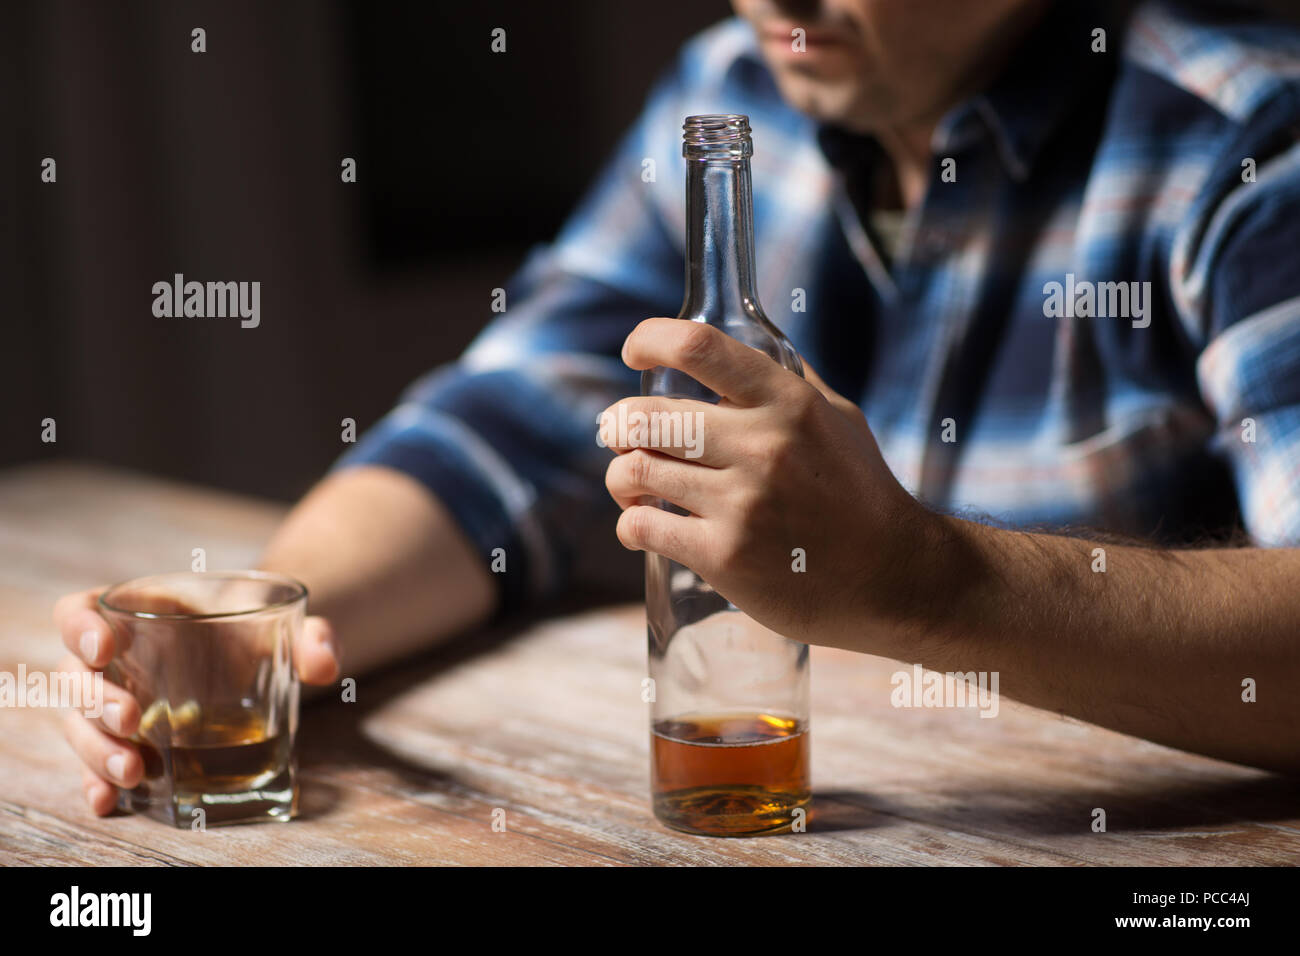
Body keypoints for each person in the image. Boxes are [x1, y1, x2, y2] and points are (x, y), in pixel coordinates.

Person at [56, 0, 1300, 815]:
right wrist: (268, 628)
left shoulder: (1244, 140)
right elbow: (507, 425)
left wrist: (923, 579)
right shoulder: (734, 88)